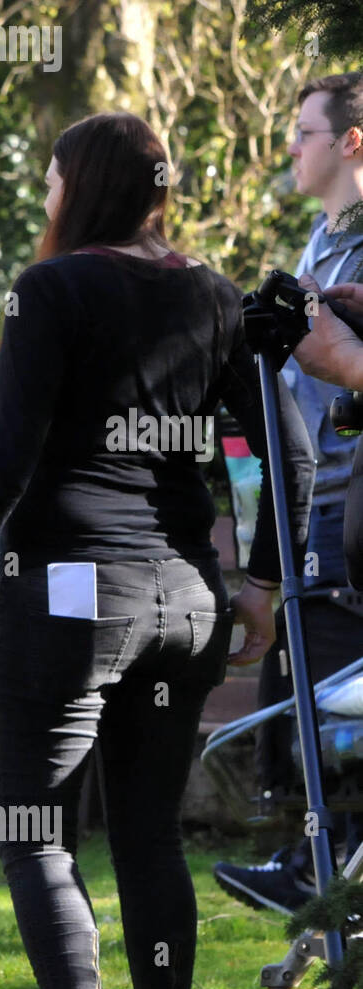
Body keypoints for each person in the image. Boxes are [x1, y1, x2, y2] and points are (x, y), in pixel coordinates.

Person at [0, 112, 314, 989]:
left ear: (75, 190)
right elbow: (271, 456)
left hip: (74, 592)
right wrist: (255, 583)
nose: (42, 202)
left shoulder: (51, 290)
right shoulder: (214, 297)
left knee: (35, 832)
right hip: (181, 599)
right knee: (147, 837)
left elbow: (5, 460)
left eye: (48, 184)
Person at [213, 72, 363, 914]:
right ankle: (306, 857)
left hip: (347, 512)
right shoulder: (320, 240)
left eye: (304, 131)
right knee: (297, 695)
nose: (291, 147)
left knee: (334, 702)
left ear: (351, 141)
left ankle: (326, 864)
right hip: (311, 508)